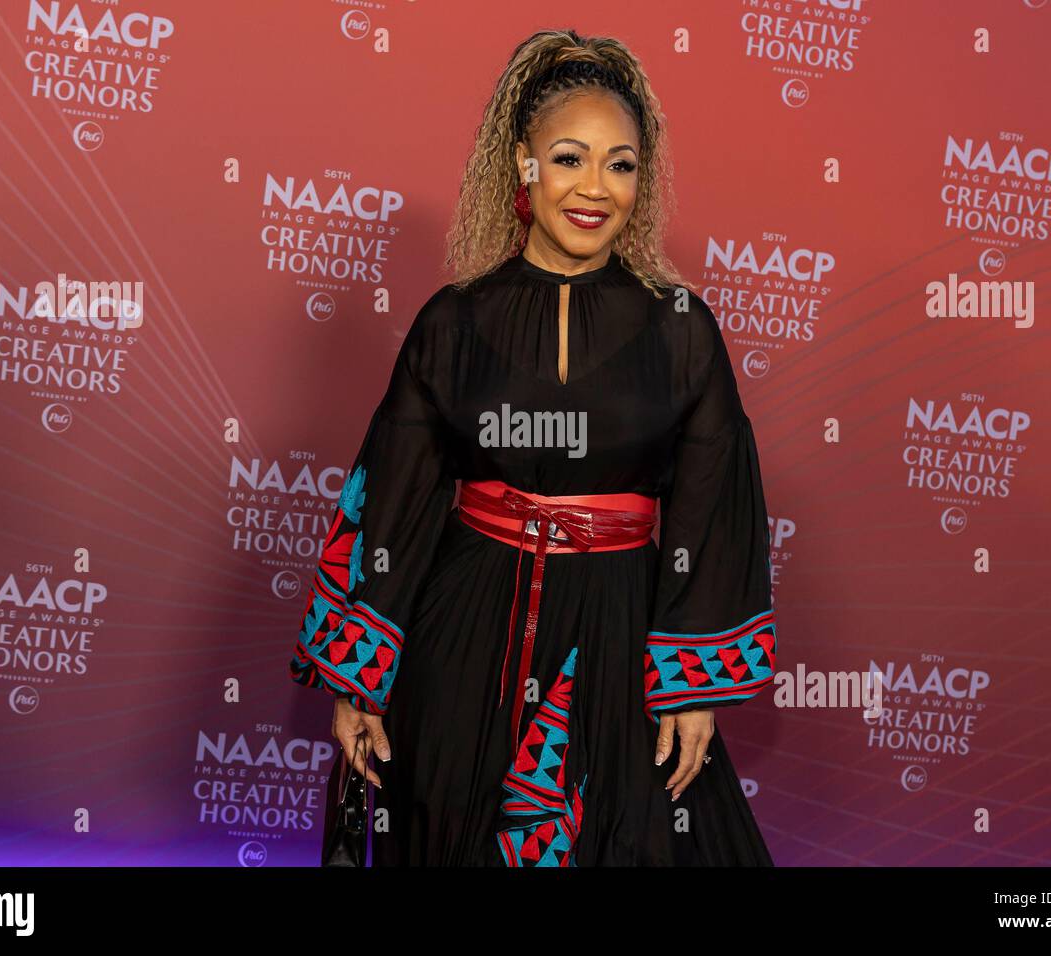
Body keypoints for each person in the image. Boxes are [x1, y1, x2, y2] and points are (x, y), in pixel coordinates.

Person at [289, 28, 776, 866]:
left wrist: (692, 684)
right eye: (570, 159)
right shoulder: (454, 320)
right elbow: (395, 496)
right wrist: (359, 677)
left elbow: (712, 503)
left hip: (619, 645)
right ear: (525, 165)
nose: (595, 189)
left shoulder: (682, 329)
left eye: (620, 165)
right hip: (459, 644)